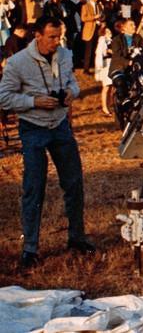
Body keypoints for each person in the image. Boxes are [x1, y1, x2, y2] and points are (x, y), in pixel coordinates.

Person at [0, 16, 97, 269]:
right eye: (52, 37)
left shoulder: (65, 55)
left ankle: (76, 238)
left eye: (60, 36)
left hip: (60, 126)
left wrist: (70, 93)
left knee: (74, 182)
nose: (57, 42)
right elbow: (4, 98)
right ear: (38, 36)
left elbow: (73, 83)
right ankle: (29, 248)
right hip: (33, 128)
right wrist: (34, 102)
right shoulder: (17, 62)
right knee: (34, 188)